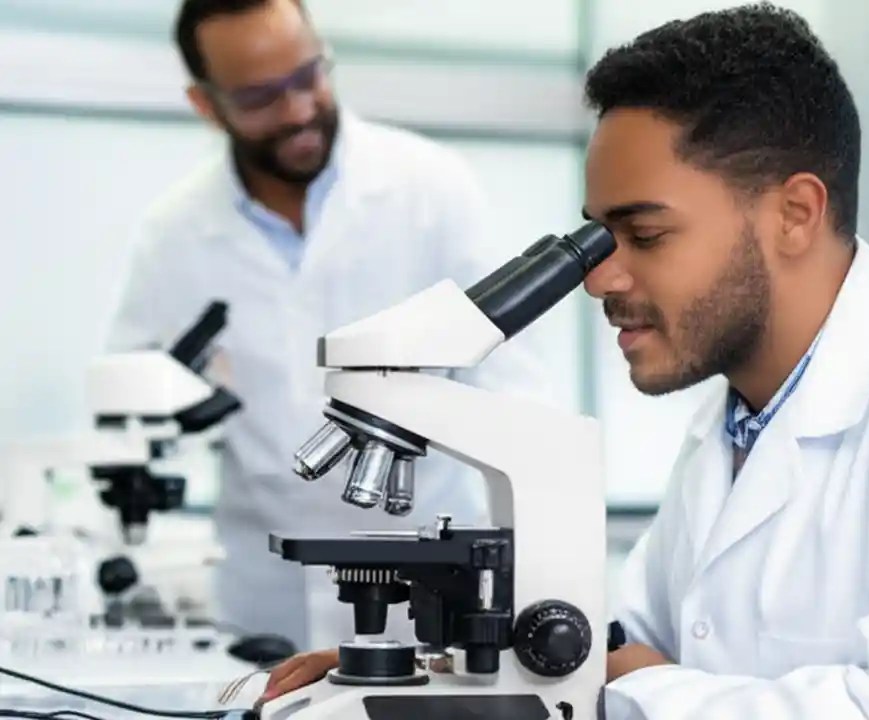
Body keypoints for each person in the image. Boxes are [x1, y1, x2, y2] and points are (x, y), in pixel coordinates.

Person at [256, 4, 869, 718]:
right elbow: (609, 643)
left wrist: (632, 687)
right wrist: (434, 680)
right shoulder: (731, 428)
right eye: (595, 239)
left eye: (643, 234)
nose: (601, 279)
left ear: (794, 213)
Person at [107, 0, 548, 651]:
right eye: (259, 97)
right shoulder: (172, 235)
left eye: (307, 76)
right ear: (206, 104)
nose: (296, 110)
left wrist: (529, 567)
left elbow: (516, 394)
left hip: (426, 563)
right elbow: (130, 403)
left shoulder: (432, 190)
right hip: (264, 591)